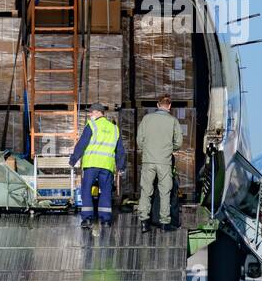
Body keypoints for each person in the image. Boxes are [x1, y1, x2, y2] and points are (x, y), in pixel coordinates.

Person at [69, 104, 126, 230]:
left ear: (97, 112)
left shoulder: (92, 125)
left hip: (92, 164)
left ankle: (87, 219)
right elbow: (120, 150)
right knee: (106, 192)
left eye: (91, 112)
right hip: (107, 165)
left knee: (86, 190)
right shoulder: (114, 128)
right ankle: (105, 220)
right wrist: (121, 166)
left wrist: (73, 159)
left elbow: (82, 144)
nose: (90, 115)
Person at [137, 95, 183, 232]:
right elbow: (179, 142)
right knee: (165, 192)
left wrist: (147, 150)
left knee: (146, 191)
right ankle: (164, 223)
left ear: (157, 105)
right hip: (164, 161)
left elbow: (140, 140)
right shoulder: (173, 121)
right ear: (169, 106)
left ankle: (144, 222)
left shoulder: (146, 119)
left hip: (148, 160)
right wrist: (170, 149)